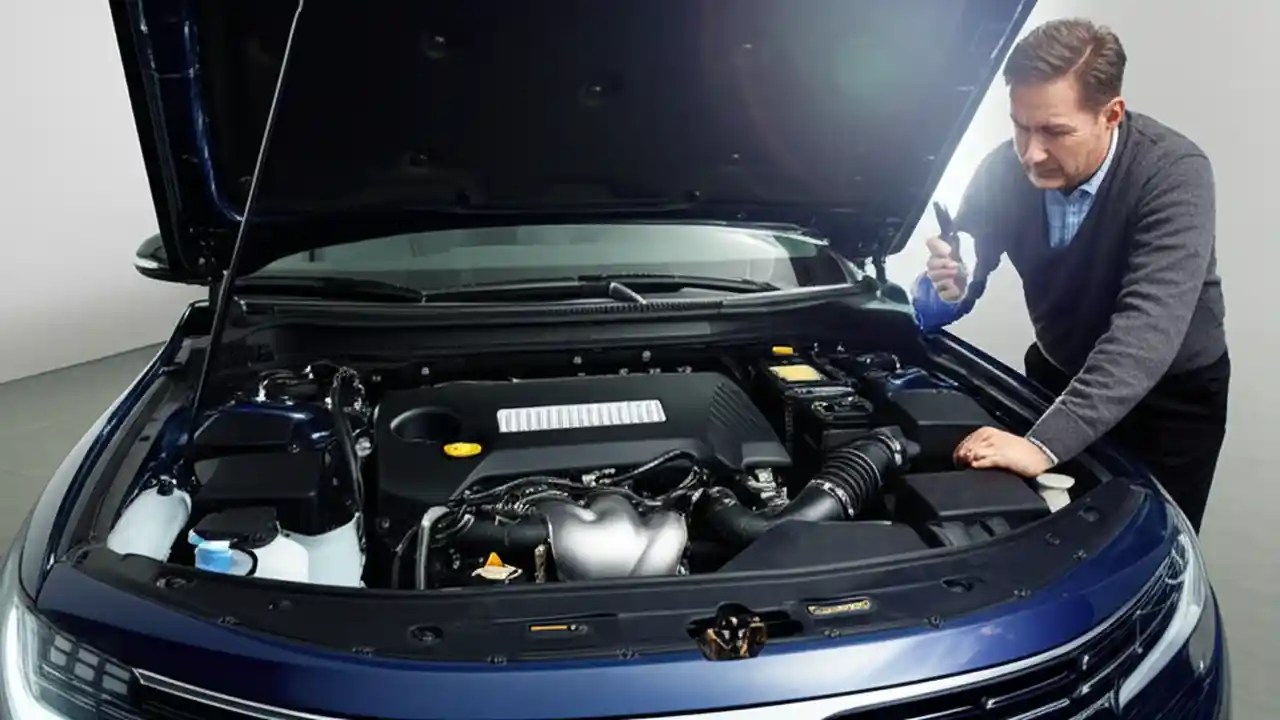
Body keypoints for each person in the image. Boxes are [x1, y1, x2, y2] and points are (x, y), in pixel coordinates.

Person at [913, 18, 1229, 532]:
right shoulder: (1003, 169)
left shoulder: (1174, 172)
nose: (1031, 153)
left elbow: (1145, 332)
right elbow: (955, 283)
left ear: (1112, 114)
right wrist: (946, 290)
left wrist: (1043, 445)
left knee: (1148, 543)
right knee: (1049, 535)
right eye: (1020, 126)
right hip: (1058, 376)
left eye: (1055, 132)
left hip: (1169, 403)